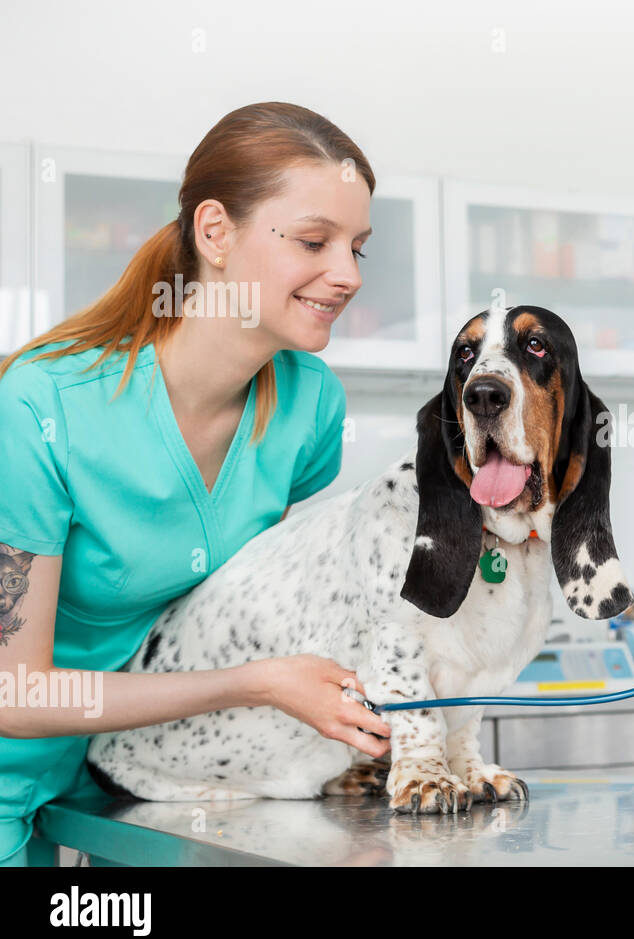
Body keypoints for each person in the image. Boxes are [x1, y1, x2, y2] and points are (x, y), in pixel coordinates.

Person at [0, 102, 393, 866]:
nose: (345, 275)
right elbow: (17, 695)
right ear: (215, 232)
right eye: (313, 241)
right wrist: (256, 684)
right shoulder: (42, 409)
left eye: (358, 248)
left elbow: (242, 606)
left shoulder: (308, 409)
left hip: (124, 784)